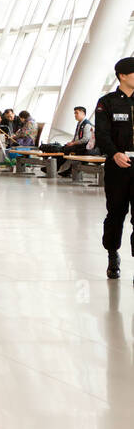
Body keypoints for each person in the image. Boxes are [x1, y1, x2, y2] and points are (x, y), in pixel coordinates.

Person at [96, 58, 134, 280]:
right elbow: (102, 133)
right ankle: (112, 254)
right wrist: (114, 153)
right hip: (117, 166)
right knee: (116, 213)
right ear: (123, 76)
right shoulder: (107, 102)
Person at [56, 106, 98, 177]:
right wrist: (71, 142)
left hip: (84, 147)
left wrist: (73, 143)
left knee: (66, 150)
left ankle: (56, 167)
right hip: (78, 145)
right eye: (74, 113)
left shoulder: (87, 124)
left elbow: (85, 139)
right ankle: (64, 169)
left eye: (77, 113)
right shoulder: (80, 123)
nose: (75, 115)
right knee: (63, 148)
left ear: (83, 113)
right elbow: (77, 136)